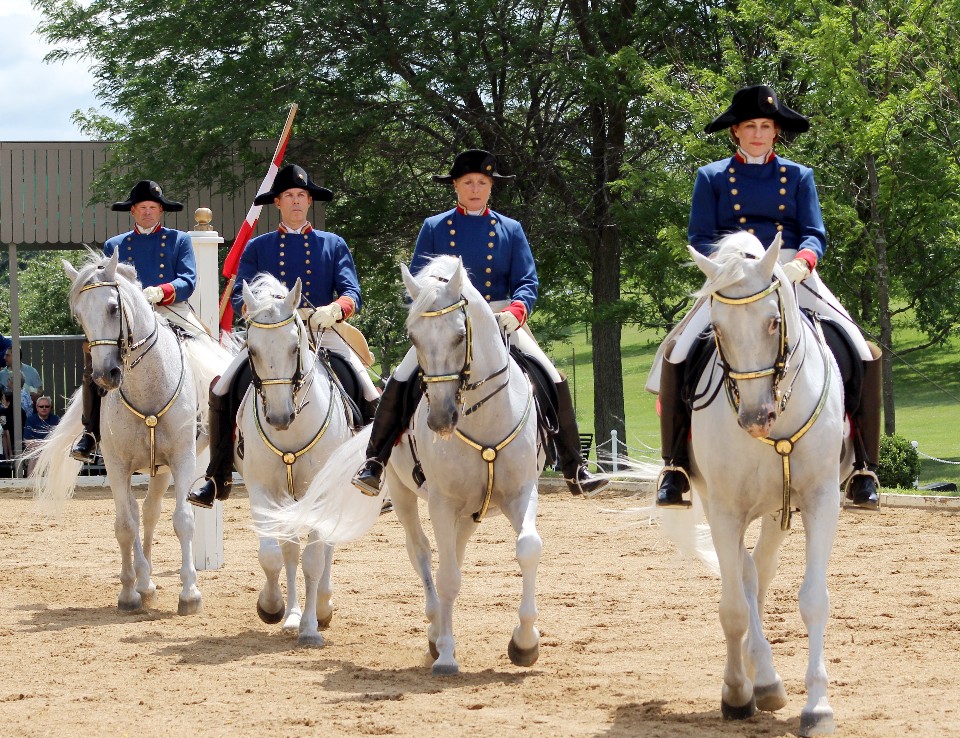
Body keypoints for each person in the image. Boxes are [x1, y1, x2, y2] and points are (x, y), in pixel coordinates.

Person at [649, 84, 882, 509]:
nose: (758, 134)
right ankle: (675, 466)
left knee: (860, 347)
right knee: (678, 351)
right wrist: (724, 269)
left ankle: (865, 466)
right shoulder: (712, 177)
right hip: (735, 278)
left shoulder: (798, 176)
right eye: (750, 126)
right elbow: (700, 237)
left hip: (791, 273)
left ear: (776, 132)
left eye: (766, 127)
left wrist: (802, 264)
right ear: (735, 132)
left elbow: (814, 232)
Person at [351, 149, 609, 498]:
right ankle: (375, 461)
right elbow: (418, 281)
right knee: (401, 376)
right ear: (456, 186)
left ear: (491, 187)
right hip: (447, 321)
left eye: (483, 183)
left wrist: (517, 311)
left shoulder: (510, 229)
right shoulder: (434, 227)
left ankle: (574, 466)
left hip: (500, 319)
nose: (476, 189)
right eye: (468, 182)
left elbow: (527, 281)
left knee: (551, 375)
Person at [187, 163, 380, 507]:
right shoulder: (259, 247)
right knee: (221, 389)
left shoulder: (332, 244)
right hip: (272, 337)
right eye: (289, 196)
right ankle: (217, 476)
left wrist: (335, 309)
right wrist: (263, 313)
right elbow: (238, 296)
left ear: (309, 202)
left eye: (301, 196)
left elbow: (352, 291)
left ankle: (374, 468)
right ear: (277, 202)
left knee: (369, 390)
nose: (295, 201)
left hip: (323, 332)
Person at [70, 180, 200, 462]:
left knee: (203, 354)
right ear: (133, 212)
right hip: (127, 318)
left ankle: (205, 421)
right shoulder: (115, 245)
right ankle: (90, 432)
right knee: (95, 359)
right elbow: (104, 287)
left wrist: (161, 291)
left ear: (161, 211)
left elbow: (189, 280)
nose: (147, 213)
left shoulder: (179, 240)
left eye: (152, 208)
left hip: (170, 310)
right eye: (142, 208)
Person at [24, 395, 61, 474]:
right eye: (41, 406)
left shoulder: (56, 419)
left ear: (50, 408)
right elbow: (28, 441)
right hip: (36, 452)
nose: (44, 408)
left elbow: (59, 439)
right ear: (37, 407)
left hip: (52, 452)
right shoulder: (31, 420)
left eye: (47, 406)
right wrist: (45, 446)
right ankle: (31, 483)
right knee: (35, 456)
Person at [0, 347, 44, 415]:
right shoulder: (2, 374)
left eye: (7, 355)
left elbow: (40, 391)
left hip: (28, 412)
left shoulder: (31, 371)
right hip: (7, 413)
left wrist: (36, 395)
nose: (4, 357)